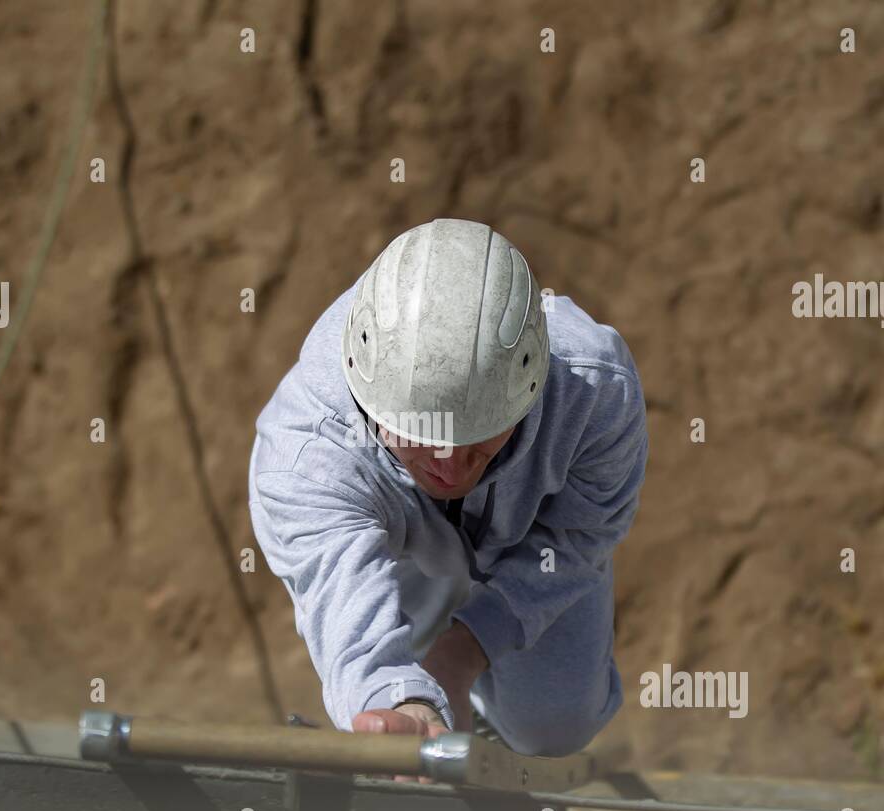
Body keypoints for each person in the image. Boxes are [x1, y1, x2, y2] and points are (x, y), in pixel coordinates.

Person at [248, 218, 648, 756]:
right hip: (400, 533)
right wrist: (406, 704)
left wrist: (466, 650)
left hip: (527, 530)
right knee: (399, 681)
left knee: (553, 726)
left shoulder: (596, 393)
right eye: (422, 437)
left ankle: (483, 696)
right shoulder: (304, 459)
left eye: (480, 438)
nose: (453, 468)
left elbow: (578, 537)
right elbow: (350, 619)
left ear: (532, 386)